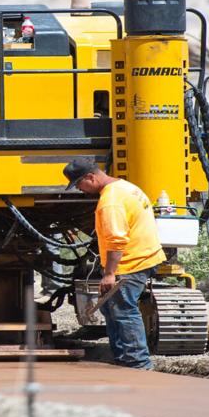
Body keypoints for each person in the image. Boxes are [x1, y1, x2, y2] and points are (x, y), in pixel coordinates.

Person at [64, 157, 165, 370]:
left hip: (131, 263)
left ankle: (138, 364)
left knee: (123, 310)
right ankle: (121, 359)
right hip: (143, 256)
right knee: (111, 310)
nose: (80, 189)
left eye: (79, 184)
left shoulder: (110, 201)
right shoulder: (125, 187)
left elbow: (117, 241)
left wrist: (110, 273)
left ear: (90, 177)